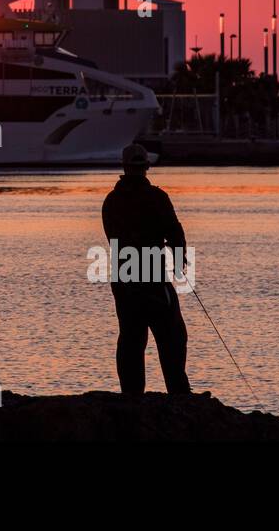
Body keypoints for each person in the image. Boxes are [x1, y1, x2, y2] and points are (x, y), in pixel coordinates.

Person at [101, 143, 193, 395]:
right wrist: (179, 260)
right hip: (153, 280)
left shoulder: (111, 201)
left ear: (124, 166)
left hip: (123, 282)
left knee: (131, 337)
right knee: (172, 336)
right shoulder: (157, 197)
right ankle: (179, 394)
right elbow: (175, 232)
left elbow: (113, 238)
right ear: (146, 167)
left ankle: (132, 396)